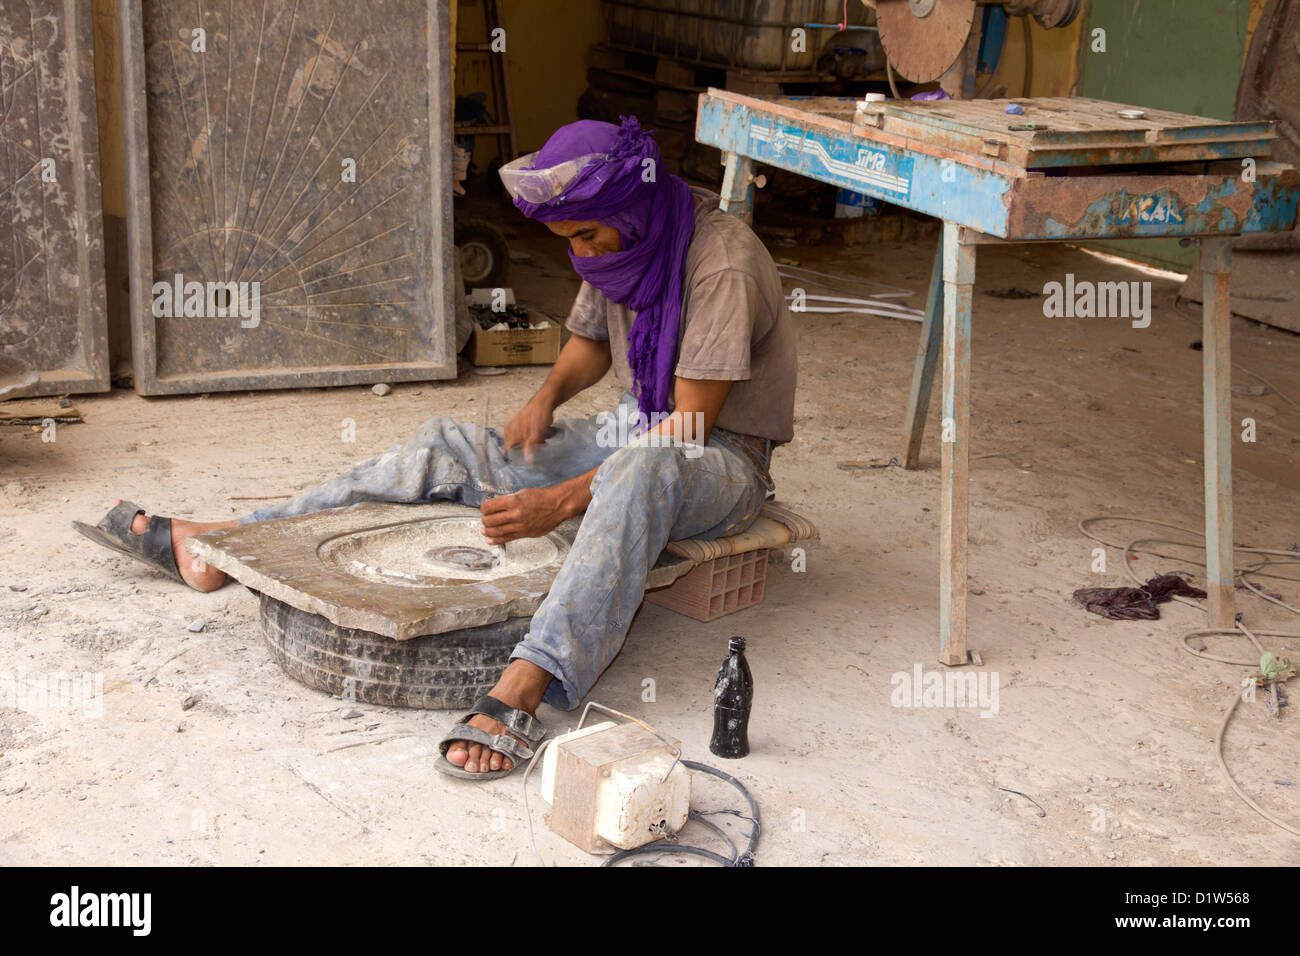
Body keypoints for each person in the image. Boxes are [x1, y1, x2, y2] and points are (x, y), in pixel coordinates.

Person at [76, 117, 796, 779]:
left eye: (586, 237)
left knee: (637, 470)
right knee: (447, 446)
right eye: (568, 240)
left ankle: (525, 684)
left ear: (628, 214)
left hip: (720, 457)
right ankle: (228, 544)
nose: (579, 253)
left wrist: (567, 496)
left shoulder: (719, 261)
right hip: (639, 428)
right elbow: (586, 343)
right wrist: (545, 399)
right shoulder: (620, 241)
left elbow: (692, 425)